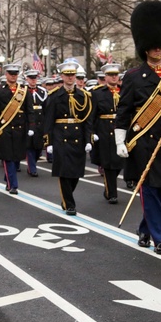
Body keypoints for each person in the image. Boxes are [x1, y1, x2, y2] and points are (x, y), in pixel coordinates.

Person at [115, 0, 161, 255]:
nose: (158, 49)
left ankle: (145, 230)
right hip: (142, 142)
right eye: (153, 45)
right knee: (148, 189)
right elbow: (123, 111)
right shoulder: (133, 76)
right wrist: (119, 141)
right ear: (144, 46)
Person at [44, 61, 93, 215]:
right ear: (62, 76)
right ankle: (69, 203)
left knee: (76, 172)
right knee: (64, 171)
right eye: (68, 75)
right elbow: (48, 120)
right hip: (61, 136)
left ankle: (67, 196)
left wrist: (88, 139)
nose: (71, 78)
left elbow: (87, 120)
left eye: (73, 75)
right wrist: (49, 141)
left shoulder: (83, 96)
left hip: (77, 136)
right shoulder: (54, 96)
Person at [0, 63, 32, 195]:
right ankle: (13, 184)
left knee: (16, 157)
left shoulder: (24, 91)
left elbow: (29, 111)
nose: (13, 76)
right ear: (6, 75)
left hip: (20, 128)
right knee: (8, 157)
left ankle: (8, 176)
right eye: (10, 74)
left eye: (15, 74)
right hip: (5, 128)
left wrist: (31, 126)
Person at [90, 62, 125, 203]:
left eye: (116, 75)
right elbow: (92, 114)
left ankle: (109, 188)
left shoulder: (124, 91)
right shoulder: (97, 93)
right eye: (111, 75)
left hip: (121, 128)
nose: (114, 77)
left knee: (119, 162)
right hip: (104, 129)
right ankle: (112, 193)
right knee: (109, 163)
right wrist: (92, 132)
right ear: (105, 77)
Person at [23, 69, 47, 177]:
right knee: (29, 146)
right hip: (28, 121)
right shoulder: (23, 91)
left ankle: (33, 162)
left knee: (38, 147)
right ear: (27, 79)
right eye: (31, 78)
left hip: (40, 121)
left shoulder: (42, 91)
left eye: (35, 78)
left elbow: (46, 107)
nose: (33, 81)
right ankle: (32, 168)